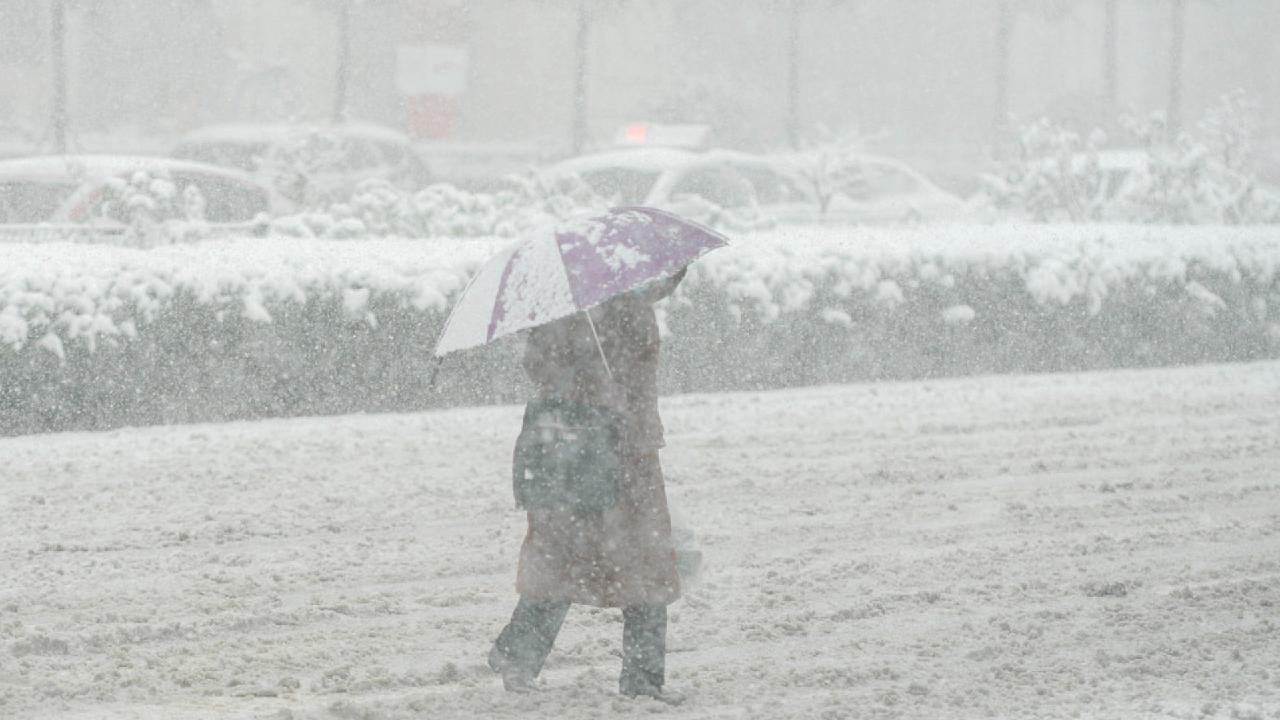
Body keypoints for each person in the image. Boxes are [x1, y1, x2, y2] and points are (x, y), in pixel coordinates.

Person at [488, 269, 687, 703]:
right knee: (634, 558)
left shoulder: (579, 299)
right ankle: (640, 677)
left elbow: (540, 365)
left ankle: (520, 653)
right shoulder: (600, 303)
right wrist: (592, 385)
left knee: (570, 553)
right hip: (604, 447)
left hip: (584, 445)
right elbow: (543, 367)